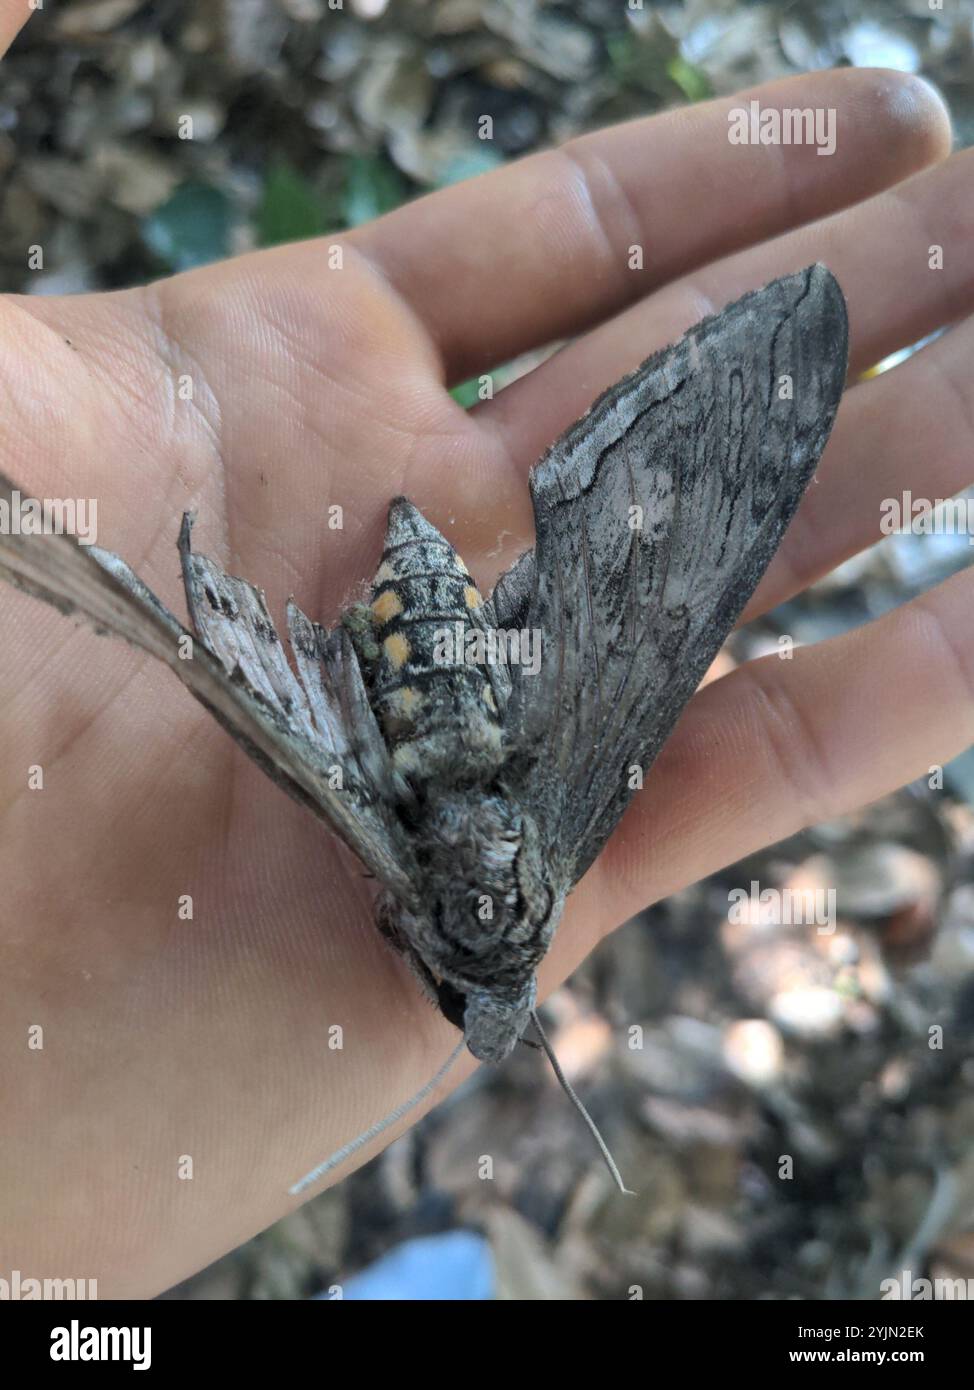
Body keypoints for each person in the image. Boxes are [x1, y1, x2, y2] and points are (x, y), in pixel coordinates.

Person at [0, 10, 968, 1296]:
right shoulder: (523, 840)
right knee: (671, 597)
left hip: (414, 670)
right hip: (408, 677)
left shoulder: (554, 830)